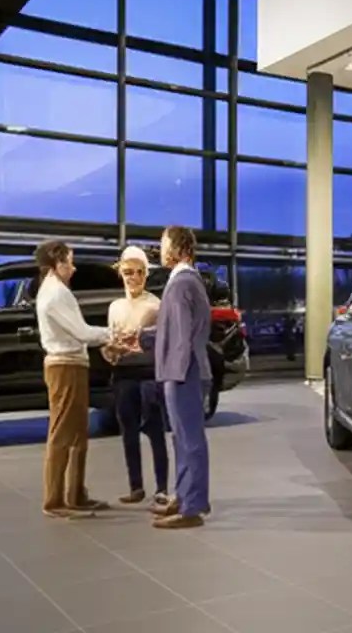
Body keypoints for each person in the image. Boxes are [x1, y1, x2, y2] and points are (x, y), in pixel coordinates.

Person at [128, 226, 212, 530]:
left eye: (164, 244)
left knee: (189, 440)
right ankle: (184, 496)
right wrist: (142, 337)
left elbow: (181, 337)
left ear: (180, 249)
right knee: (182, 439)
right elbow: (174, 329)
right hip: (184, 370)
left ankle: (192, 507)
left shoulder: (181, 284)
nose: (160, 249)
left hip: (183, 371)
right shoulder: (184, 281)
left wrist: (171, 374)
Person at [33, 239, 114, 519]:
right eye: (69, 261)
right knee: (62, 432)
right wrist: (112, 333)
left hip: (74, 365)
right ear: (56, 264)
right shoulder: (54, 294)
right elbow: (80, 332)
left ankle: (76, 495)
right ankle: (54, 500)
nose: (74, 267)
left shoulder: (57, 291)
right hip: (64, 366)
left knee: (78, 432)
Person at [102, 246, 169, 507]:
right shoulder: (115, 307)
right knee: (128, 430)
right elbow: (110, 341)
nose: (133, 278)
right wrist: (110, 352)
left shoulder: (155, 305)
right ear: (121, 274)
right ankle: (136, 486)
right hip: (123, 374)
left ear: (146, 274)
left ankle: (162, 487)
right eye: (128, 272)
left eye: (138, 272)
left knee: (154, 430)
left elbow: (161, 342)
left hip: (148, 373)